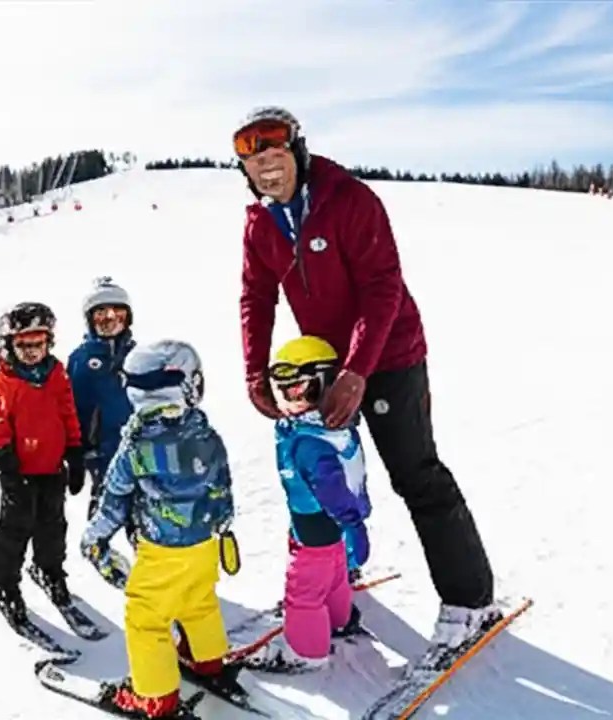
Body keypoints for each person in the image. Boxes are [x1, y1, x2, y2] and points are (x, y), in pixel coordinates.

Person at [232, 106, 499, 654]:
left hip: (391, 356)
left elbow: (384, 287)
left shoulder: (350, 201)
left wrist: (358, 370)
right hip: (328, 366)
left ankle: (470, 600)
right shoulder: (260, 223)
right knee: (326, 474)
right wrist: (255, 369)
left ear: (298, 152)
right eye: (256, 160)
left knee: (416, 473)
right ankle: (333, 575)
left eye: (276, 153)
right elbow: (255, 297)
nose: (267, 166)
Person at [80, 339, 240, 718]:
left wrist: (96, 535)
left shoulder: (136, 447)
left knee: (146, 618)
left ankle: (155, 695)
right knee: (197, 601)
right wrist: (222, 521)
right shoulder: (205, 434)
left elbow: (114, 499)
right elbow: (222, 483)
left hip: (161, 551)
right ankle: (207, 662)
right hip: (203, 544)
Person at [242, 335, 372, 673]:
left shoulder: (309, 444)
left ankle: (305, 650)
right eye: (284, 391)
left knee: (303, 592)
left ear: (327, 384)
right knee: (334, 573)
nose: (291, 400)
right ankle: (340, 618)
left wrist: (352, 524)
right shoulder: (333, 426)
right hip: (327, 526)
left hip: (316, 526)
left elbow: (332, 488)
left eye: (301, 390)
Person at [0, 301, 86, 622]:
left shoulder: (56, 374)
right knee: (15, 527)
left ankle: (49, 567)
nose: (31, 351)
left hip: (52, 467)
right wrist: (3, 456)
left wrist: (75, 450)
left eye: (38, 343)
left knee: (53, 524)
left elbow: (67, 411)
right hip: (18, 471)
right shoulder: (0, 383)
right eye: (23, 345)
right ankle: (2, 582)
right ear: (9, 346)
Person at [66, 276, 136, 522]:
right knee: (104, 518)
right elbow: (71, 407)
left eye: (117, 313)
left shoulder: (138, 356)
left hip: (139, 450)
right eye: (101, 315)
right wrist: (77, 450)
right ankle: (100, 550)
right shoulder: (81, 359)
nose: (109, 320)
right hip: (100, 452)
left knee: (142, 518)